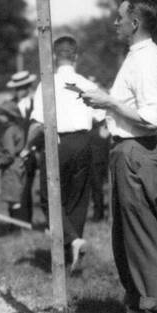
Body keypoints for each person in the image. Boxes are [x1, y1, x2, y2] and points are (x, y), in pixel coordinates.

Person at [81, 0, 157, 313]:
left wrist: (108, 102)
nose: (114, 22)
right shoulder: (135, 57)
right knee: (124, 236)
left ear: (135, 23)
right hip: (123, 150)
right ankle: (136, 309)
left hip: (137, 151)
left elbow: (150, 119)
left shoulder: (148, 59)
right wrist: (106, 102)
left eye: (119, 18)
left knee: (142, 234)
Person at [27, 36, 102, 274]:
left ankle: (72, 240)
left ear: (54, 57)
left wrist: (25, 148)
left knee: (49, 198)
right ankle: (73, 247)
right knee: (77, 199)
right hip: (84, 142)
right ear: (76, 56)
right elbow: (102, 117)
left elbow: (37, 124)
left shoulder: (46, 83)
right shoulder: (86, 83)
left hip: (57, 143)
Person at [0, 72, 39, 226]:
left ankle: (25, 222)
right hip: (13, 155)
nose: (19, 91)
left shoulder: (35, 104)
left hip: (29, 152)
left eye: (22, 88)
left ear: (28, 87)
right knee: (13, 190)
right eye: (16, 88)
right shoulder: (8, 106)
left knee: (25, 189)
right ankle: (15, 222)